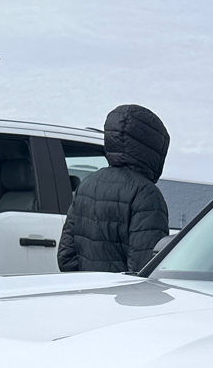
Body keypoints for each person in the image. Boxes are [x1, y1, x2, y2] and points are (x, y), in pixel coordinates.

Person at [58, 104, 170, 274]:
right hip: (123, 297)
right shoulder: (146, 194)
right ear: (153, 148)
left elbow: (66, 258)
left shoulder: (87, 184)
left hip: (87, 293)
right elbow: (145, 268)